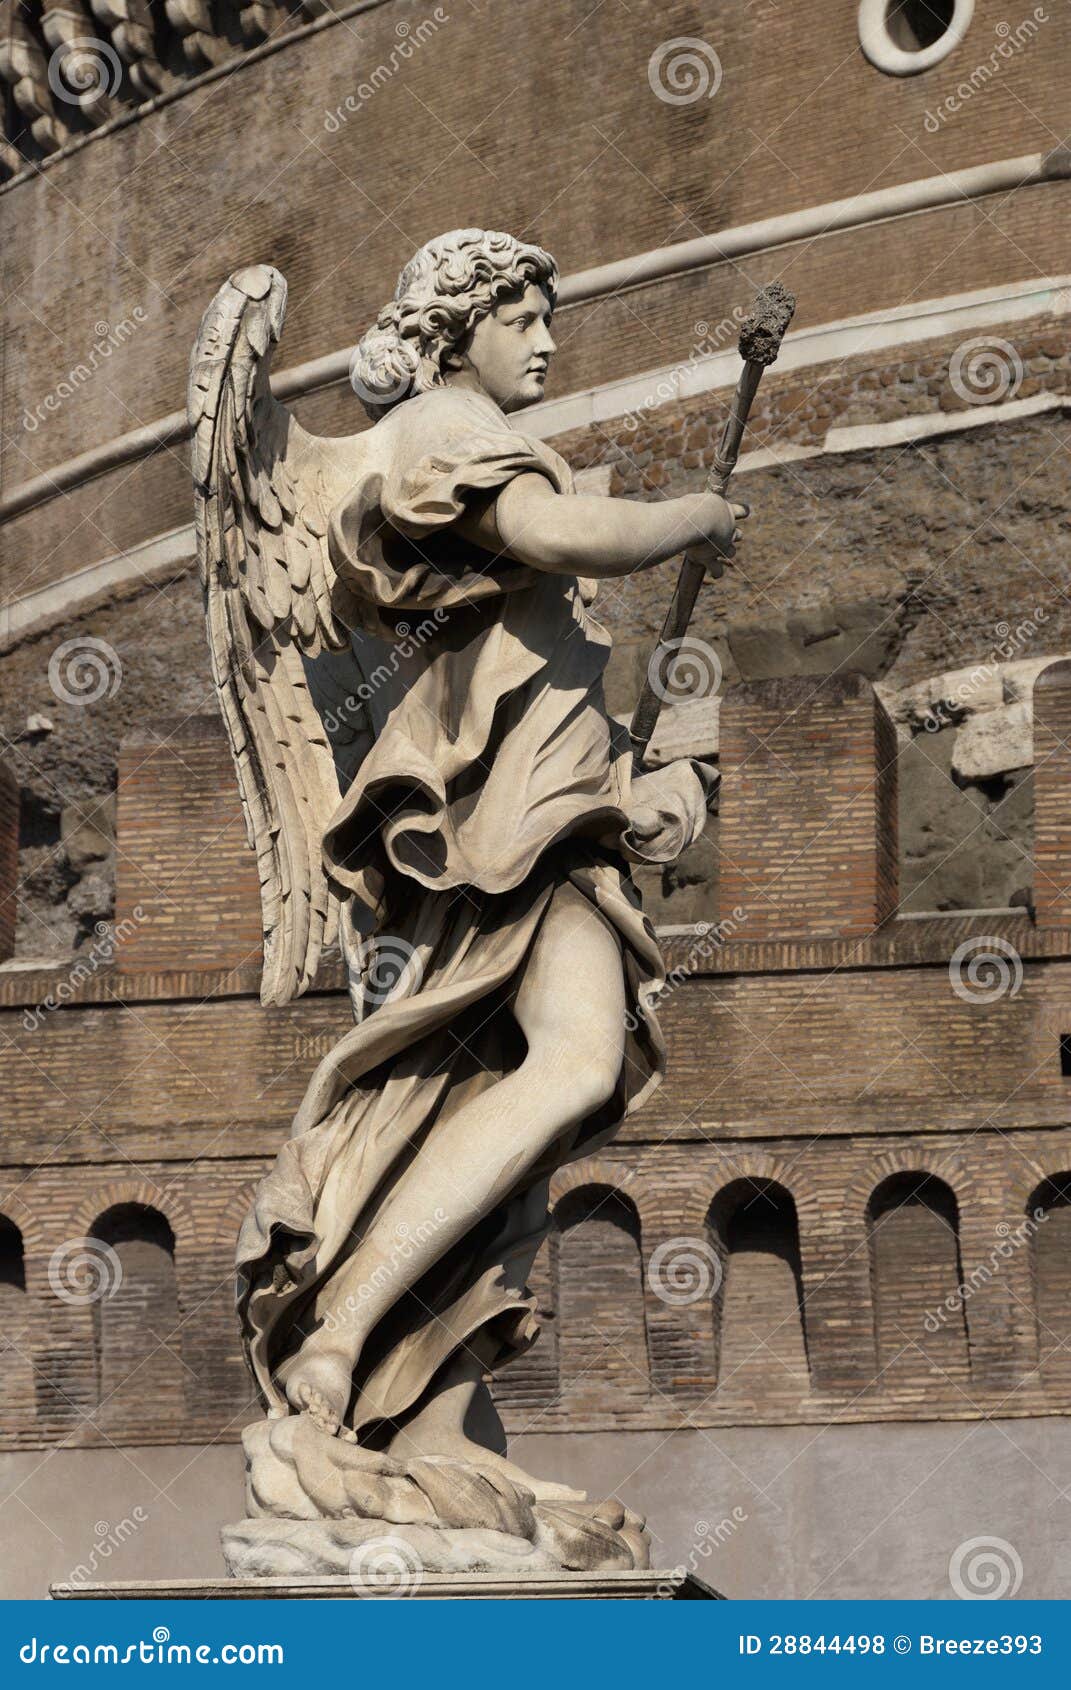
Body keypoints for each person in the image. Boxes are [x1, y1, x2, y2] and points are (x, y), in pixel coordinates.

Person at [236, 229, 747, 1502]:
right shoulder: (437, 437)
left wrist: (642, 783)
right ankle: (345, 1326)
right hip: (497, 829)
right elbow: (556, 536)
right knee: (566, 1064)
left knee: (511, 1113)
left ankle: (427, 1412)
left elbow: (534, 666)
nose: (548, 341)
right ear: (459, 327)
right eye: (523, 317)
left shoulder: (496, 446)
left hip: (552, 812)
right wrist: (688, 515)